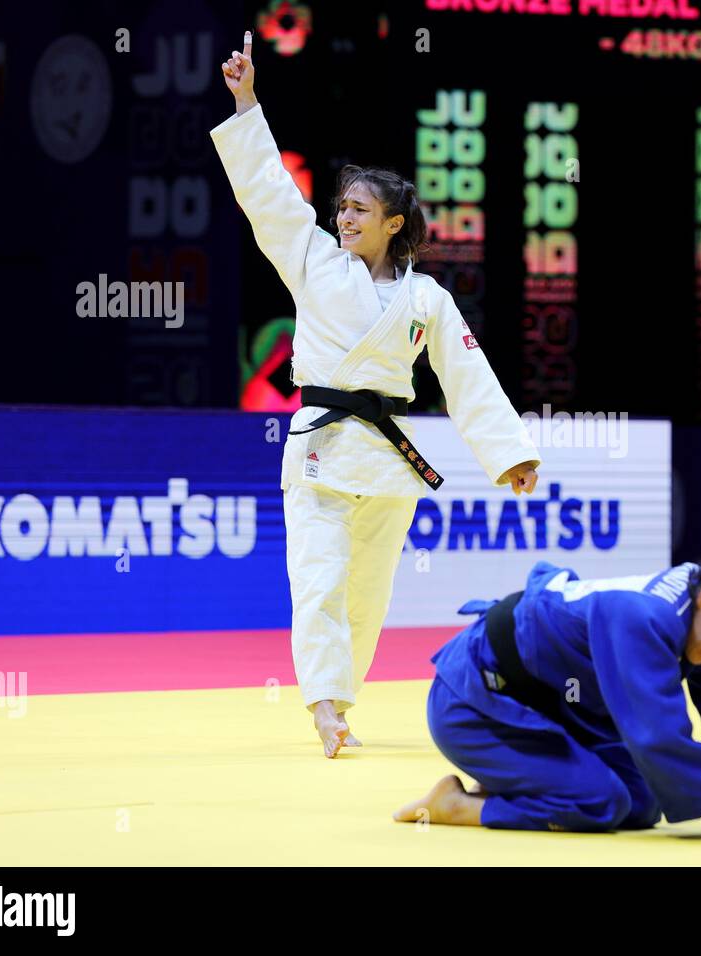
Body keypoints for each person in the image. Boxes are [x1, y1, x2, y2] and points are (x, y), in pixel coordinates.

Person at [214, 32, 541, 757]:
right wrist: (246, 105)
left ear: (396, 223)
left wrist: (509, 454)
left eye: (363, 209)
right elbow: (266, 191)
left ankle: (342, 696)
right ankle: (325, 707)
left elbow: (467, 376)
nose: (347, 217)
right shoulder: (313, 260)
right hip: (324, 449)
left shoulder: (425, 297)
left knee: (365, 599)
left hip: (386, 460)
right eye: (344, 206)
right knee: (320, 582)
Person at [393, 541, 701, 843]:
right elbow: (656, 734)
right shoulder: (645, 616)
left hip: (554, 707)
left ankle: (522, 777)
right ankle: (455, 805)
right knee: (600, 801)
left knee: (642, 803)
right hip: (477, 703)